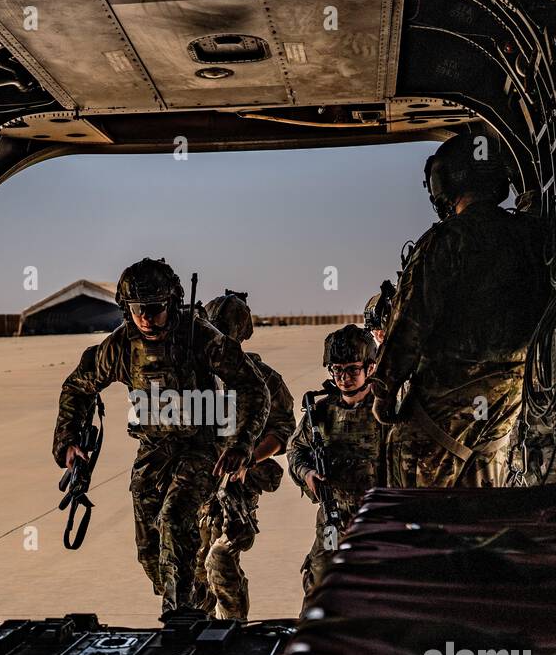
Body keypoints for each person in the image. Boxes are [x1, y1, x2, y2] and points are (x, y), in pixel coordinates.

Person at [52, 259, 270, 618]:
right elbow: (78, 386)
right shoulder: (121, 347)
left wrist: (241, 446)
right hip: (153, 450)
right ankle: (189, 596)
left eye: (154, 309)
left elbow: (252, 386)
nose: (146, 318)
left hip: (201, 449)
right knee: (149, 550)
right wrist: (69, 441)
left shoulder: (199, 337)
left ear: (171, 303)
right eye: (137, 310)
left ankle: (180, 619)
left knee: (175, 521)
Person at [370, 132, 549, 487]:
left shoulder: (447, 240)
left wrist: (384, 389)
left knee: (407, 506)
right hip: (510, 399)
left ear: (445, 185)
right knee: (478, 510)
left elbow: (409, 324)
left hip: (446, 404)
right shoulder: (532, 235)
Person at [193, 291, 296, 621]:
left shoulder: (263, 378)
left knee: (220, 559)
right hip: (198, 487)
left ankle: (231, 628)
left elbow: (283, 432)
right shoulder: (195, 376)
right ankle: (197, 644)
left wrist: (248, 458)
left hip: (238, 490)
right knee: (194, 576)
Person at [287, 324, 386, 594]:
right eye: (337, 370)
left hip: (379, 524)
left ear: (371, 368)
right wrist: (307, 474)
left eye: (352, 369)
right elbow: (295, 450)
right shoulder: (320, 412)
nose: (343, 378)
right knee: (320, 591)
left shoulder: (385, 412)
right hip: (333, 521)